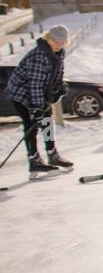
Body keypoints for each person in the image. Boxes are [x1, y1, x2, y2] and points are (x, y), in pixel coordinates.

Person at [4, 24, 73, 178]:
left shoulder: (58, 53)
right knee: (31, 125)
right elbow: (34, 84)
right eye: (55, 41)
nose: (58, 45)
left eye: (62, 42)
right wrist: (36, 108)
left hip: (38, 93)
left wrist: (59, 88)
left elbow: (58, 74)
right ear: (48, 39)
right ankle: (34, 161)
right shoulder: (39, 55)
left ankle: (52, 154)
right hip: (22, 94)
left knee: (47, 122)